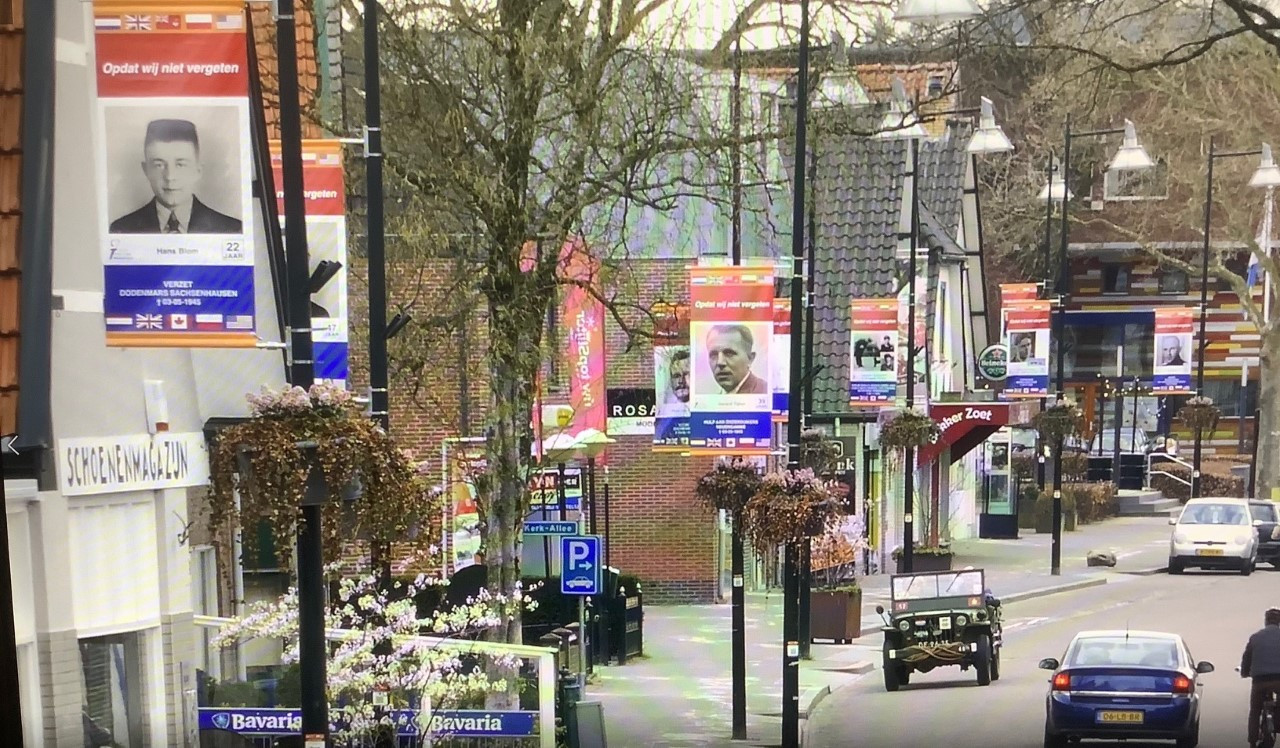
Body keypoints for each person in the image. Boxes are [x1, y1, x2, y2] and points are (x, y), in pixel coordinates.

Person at [110, 118, 242, 234]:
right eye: (159, 165)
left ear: (198, 171)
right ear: (146, 170)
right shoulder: (121, 229)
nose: (169, 176)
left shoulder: (231, 230)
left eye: (180, 165)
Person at [1241, 607, 1280, 746]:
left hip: (1260, 681)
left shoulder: (1255, 637)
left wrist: (1244, 672)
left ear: (1266, 621)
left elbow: (1247, 659)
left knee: (1255, 710)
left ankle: (1252, 740)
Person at [704, 324, 767, 394]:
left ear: (750, 359)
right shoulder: (711, 400)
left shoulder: (765, 392)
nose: (720, 362)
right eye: (713, 355)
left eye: (729, 353)